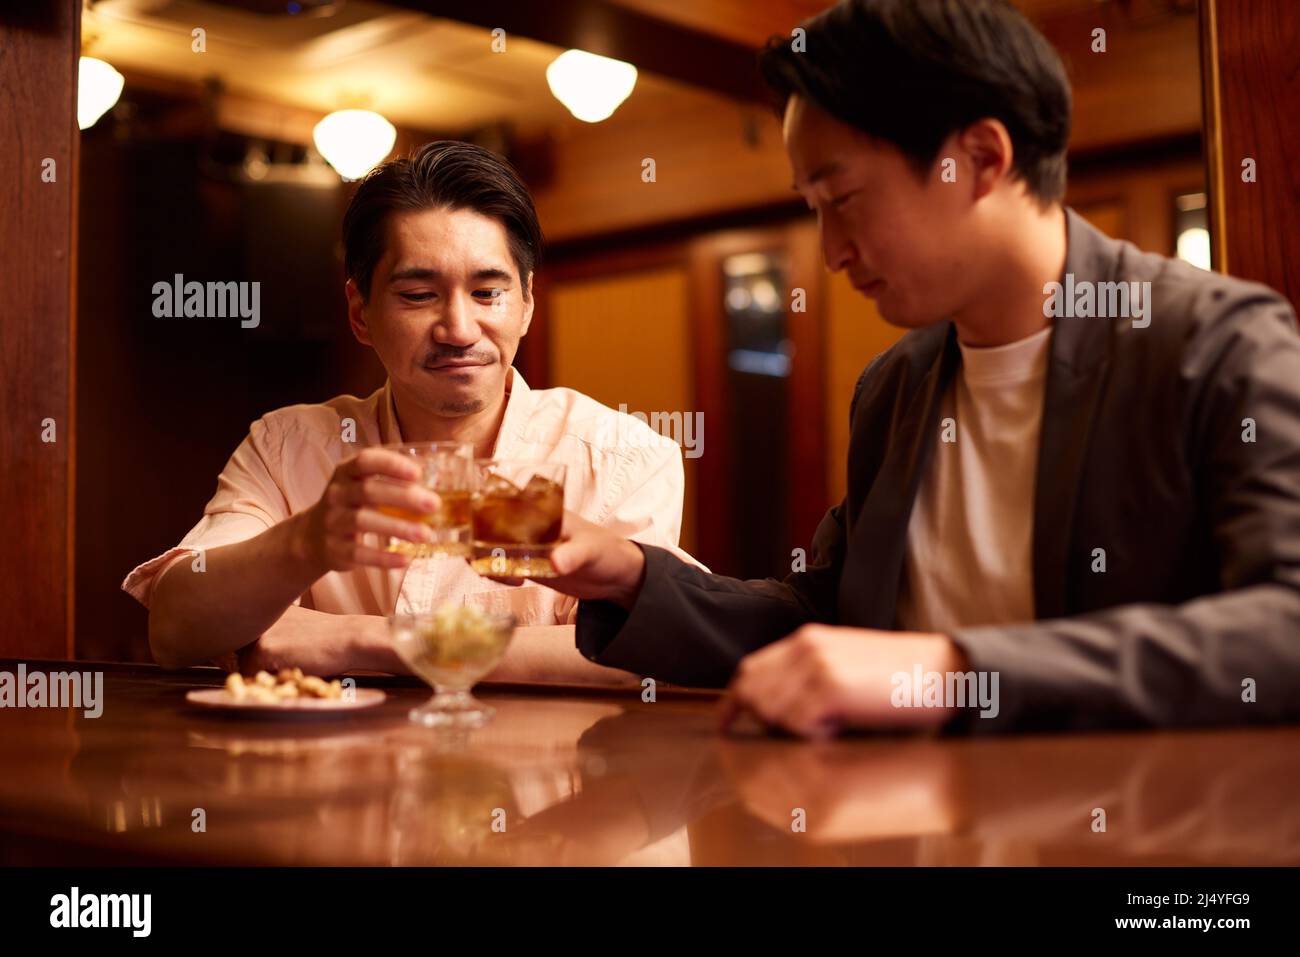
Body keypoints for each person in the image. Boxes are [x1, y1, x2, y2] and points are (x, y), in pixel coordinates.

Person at [526, 0, 1300, 735]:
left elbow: (1283, 627)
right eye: (813, 209)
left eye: (846, 199)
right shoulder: (898, 383)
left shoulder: (1212, 345)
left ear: (982, 159)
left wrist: (951, 670)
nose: (831, 252)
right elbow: (829, 614)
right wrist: (628, 573)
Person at [124, 141, 693, 686]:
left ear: (526, 305)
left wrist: (362, 641)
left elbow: (642, 651)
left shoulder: (622, 456)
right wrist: (307, 542)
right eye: (419, 295)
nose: (459, 330)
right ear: (360, 313)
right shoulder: (287, 445)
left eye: (488, 293)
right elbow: (177, 630)